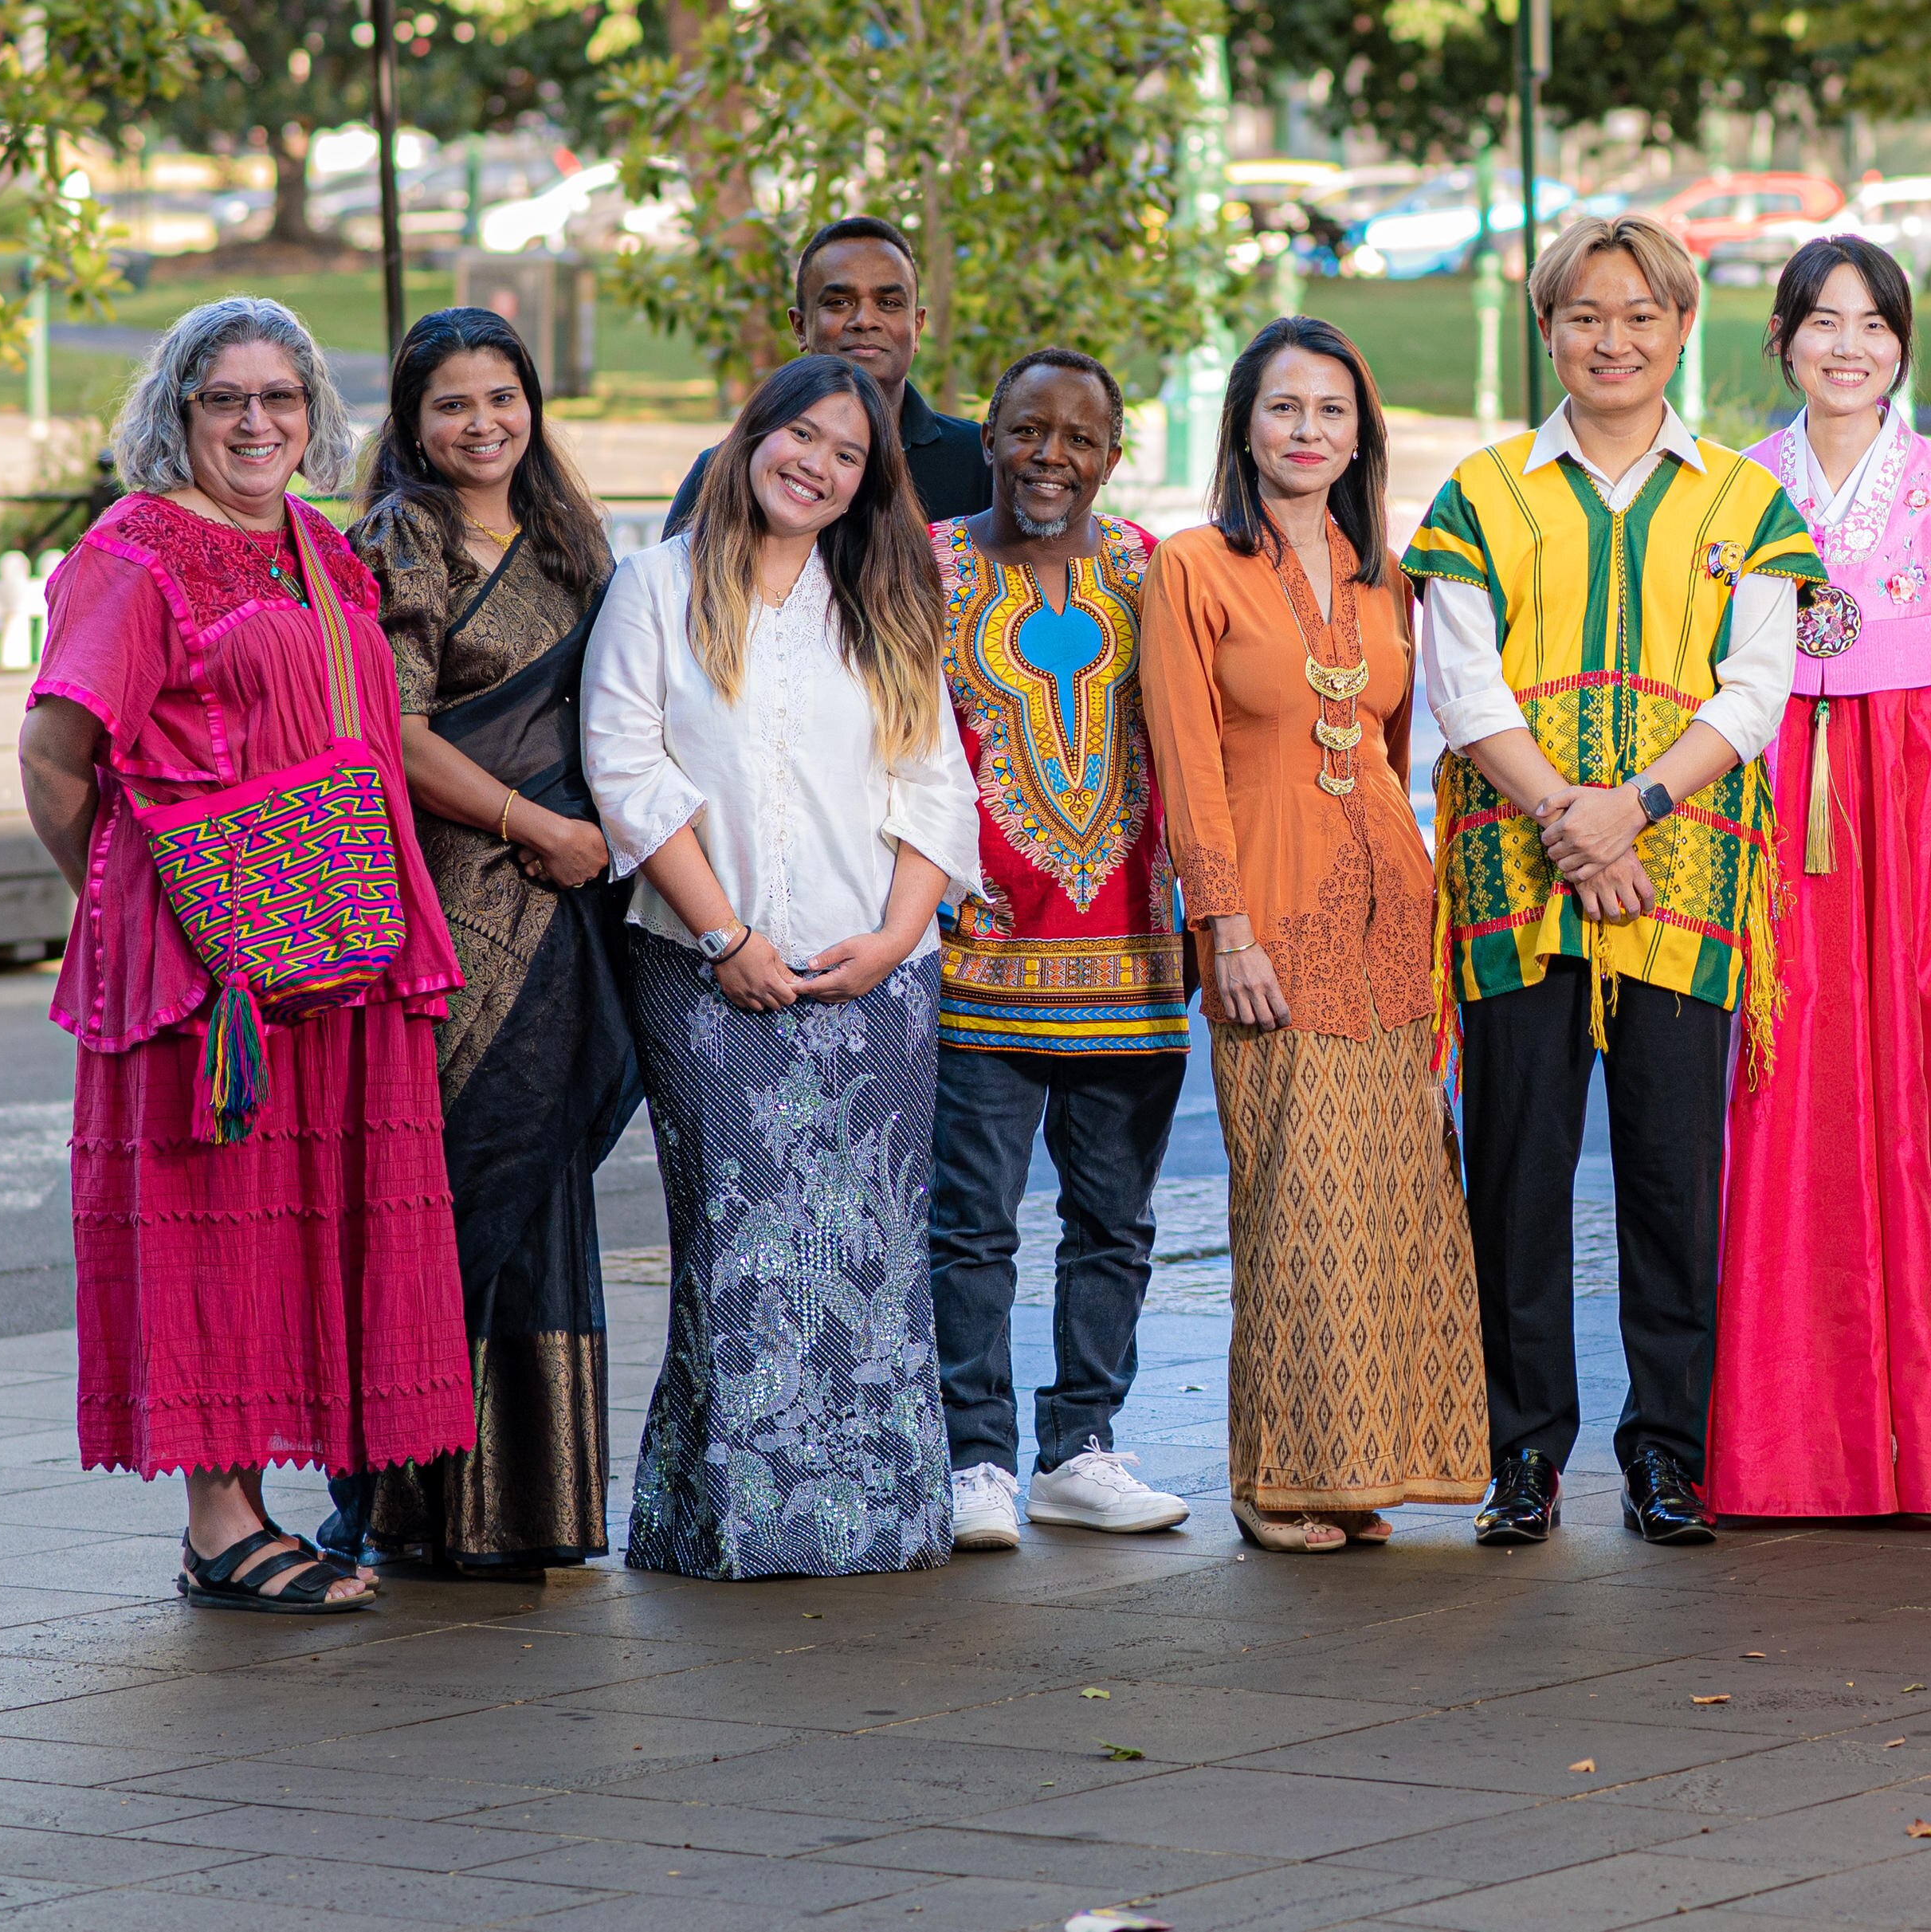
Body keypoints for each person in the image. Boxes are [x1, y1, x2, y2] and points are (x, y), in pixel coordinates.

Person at [17, 298, 473, 1613]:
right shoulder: (136, 553)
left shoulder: (327, 553)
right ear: (180, 411)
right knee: (210, 1220)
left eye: (281, 396)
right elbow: (57, 754)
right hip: (207, 970)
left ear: (315, 415)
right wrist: (128, 903)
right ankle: (219, 1521)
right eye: (227, 398)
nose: (257, 421)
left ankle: (262, 1501)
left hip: (337, 942)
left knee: (310, 1216)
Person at [1407, 214, 1823, 1550]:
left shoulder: (1743, 502)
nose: (1614, 338)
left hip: (1682, 875)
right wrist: (1568, 819)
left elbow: (1757, 688)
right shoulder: (1480, 491)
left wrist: (1631, 807)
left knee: (1668, 1171)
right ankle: (1521, 1454)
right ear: (1549, 329)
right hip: (1512, 878)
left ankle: (1666, 1454)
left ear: (1683, 330)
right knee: (1515, 1173)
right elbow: (1464, 684)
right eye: (1587, 314)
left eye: (1641, 314)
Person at [583, 353, 983, 1580]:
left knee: (869, 1253)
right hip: (708, 974)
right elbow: (626, 768)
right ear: (753, 437)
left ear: (868, 482)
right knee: (741, 1244)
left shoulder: (881, 600)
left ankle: (878, 1520)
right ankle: (732, 1523)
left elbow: (935, 782)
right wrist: (727, 937)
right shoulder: (656, 585)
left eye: (847, 452)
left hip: (878, 974)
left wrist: (899, 937)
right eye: (800, 435)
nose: (816, 463)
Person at [1140, 318, 1488, 1552]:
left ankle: (1372, 1467)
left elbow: (1396, 757)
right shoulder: (1190, 566)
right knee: (1290, 1195)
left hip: (1394, 910)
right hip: (1268, 915)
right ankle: (1278, 1475)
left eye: (1332, 412)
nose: (1307, 432)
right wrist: (1221, 922)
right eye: (1285, 408)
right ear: (1244, 425)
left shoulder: (1382, 576)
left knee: (1395, 1197)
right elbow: (1187, 760)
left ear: (1362, 435)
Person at [1713, 238, 1931, 1521]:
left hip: (1915, 800)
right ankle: (1783, 1431)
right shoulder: (1739, 489)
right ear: (1783, 341)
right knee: (1777, 1074)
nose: (1848, 347)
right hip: (1772, 784)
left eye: (1873, 325)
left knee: (1926, 1069)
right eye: (1821, 322)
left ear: (1905, 344)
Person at [320, 307, 632, 1577]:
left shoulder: (569, 535)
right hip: (454, 895)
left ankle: (524, 1504)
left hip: (573, 897)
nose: (482, 424)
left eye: (501, 397)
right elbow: (390, 730)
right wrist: (530, 825)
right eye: (452, 403)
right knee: (455, 1180)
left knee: (539, 1176)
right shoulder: (398, 540)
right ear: (410, 421)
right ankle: (389, 1489)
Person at [924, 348, 1197, 1553]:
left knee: (1115, 1221)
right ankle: (975, 1456)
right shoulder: (926, 567)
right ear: (989, 435)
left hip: (1133, 954)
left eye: (1079, 437)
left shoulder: (1149, 570)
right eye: (1029, 431)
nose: (1051, 457)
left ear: (1112, 454)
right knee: (971, 1223)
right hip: (978, 948)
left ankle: (1080, 1447)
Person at [663, 216, 992, 533]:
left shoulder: (980, 463)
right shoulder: (730, 468)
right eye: (839, 302)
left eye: (889, 303)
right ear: (801, 327)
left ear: (917, 327)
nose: (865, 320)